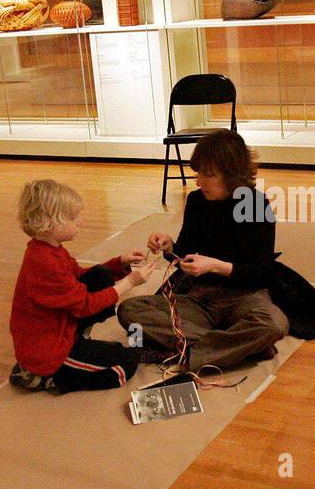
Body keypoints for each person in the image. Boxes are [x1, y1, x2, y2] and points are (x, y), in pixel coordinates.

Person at [117, 130, 289, 372]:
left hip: (242, 297)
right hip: (198, 298)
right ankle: (241, 347)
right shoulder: (197, 201)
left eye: (208, 175)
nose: (198, 182)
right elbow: (186, 251)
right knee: (129, 310)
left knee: (274, 324)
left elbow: (261, 272)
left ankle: (195, 349)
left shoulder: (255, 204)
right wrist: (170, 247)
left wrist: (214, 265)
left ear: (232, 175)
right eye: (198, 173)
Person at [8, 179, 157, 393]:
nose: (81, 222)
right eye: (73, 218)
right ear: (49, 223)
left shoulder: (51, 249)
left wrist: (119, 263)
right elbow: (85, 304)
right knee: (125, 365)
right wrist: (129, 283)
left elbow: (80, 279)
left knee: (101, 275)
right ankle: (48, 377)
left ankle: (76, 346)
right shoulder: (44, 261)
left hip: (60, 331)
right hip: (50, 353)